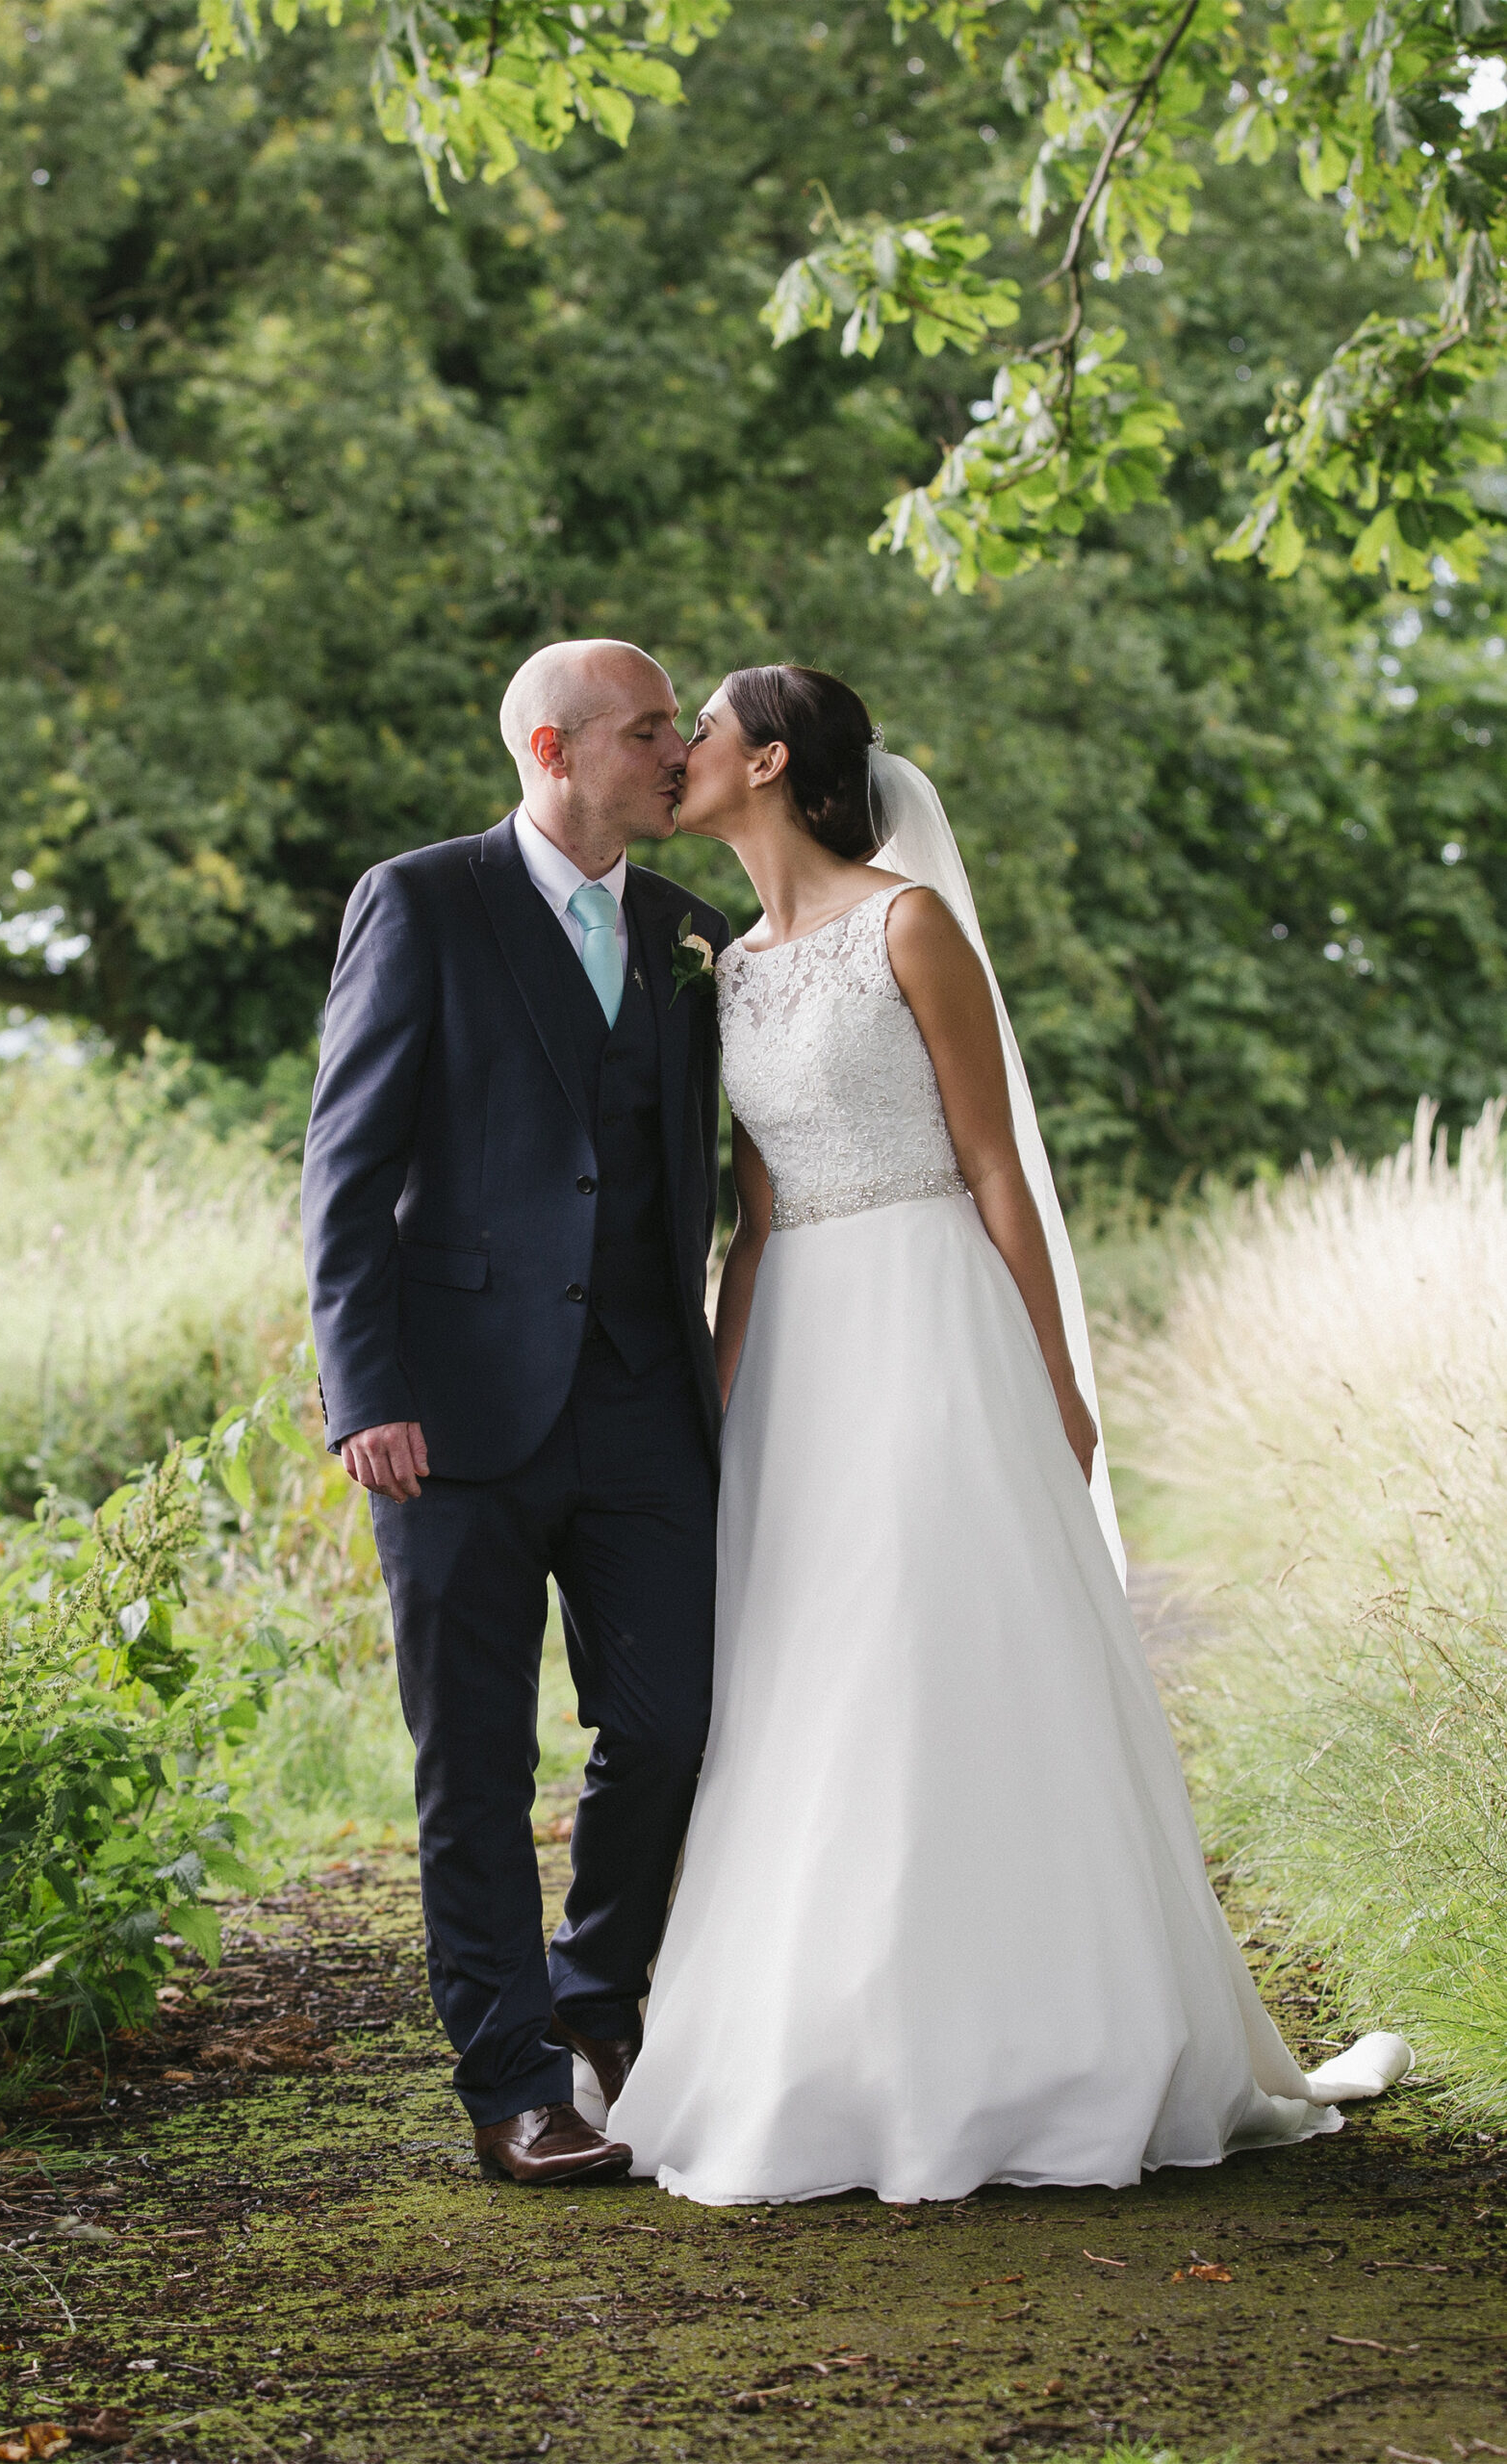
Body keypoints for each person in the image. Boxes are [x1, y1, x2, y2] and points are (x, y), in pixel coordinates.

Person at [607, 663, 1411, 2205]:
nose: (679, 752)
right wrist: (723, 1395)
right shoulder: (734, 965)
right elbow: (757, 1215)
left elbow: (994, 1170)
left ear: (768, 760)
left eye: (698, 728)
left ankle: (1030, 2039)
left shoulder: (909, 924)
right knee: (806, 1672)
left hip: (932, 1318)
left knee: (933, 1645)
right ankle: (827, 2041)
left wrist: (1054, 1379)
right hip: (798, 1354)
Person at [301, 638, 729, 2186]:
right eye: (650, 729)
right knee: (473, 1762)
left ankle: (593, 1995)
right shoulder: (420, 899)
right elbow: (345, 1166)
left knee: (675, 1721)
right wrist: (366, 1391)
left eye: (679, 727)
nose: (679, 751)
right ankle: (513, 2086)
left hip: (641, 1402)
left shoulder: (693, 932)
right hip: (449, 1415)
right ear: (553, 749)